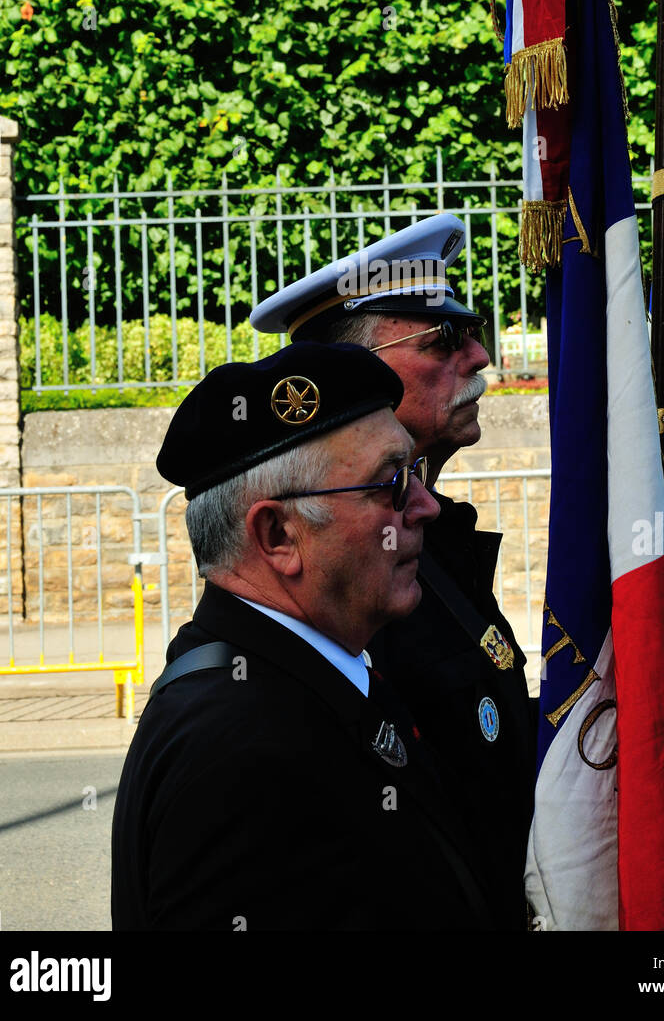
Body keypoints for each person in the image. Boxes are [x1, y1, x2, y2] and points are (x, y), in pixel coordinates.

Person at [111, 342, 495, 931]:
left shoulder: (298, 677)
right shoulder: (238, 749)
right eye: (390, 483)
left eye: (413, 473)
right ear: (278, 535)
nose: (425, 506)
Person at [250, 215, 537, 930]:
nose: (477, 356)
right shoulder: (340, 565)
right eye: (442, 340)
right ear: (355, 373)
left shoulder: (434, 537)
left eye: (472, 332)